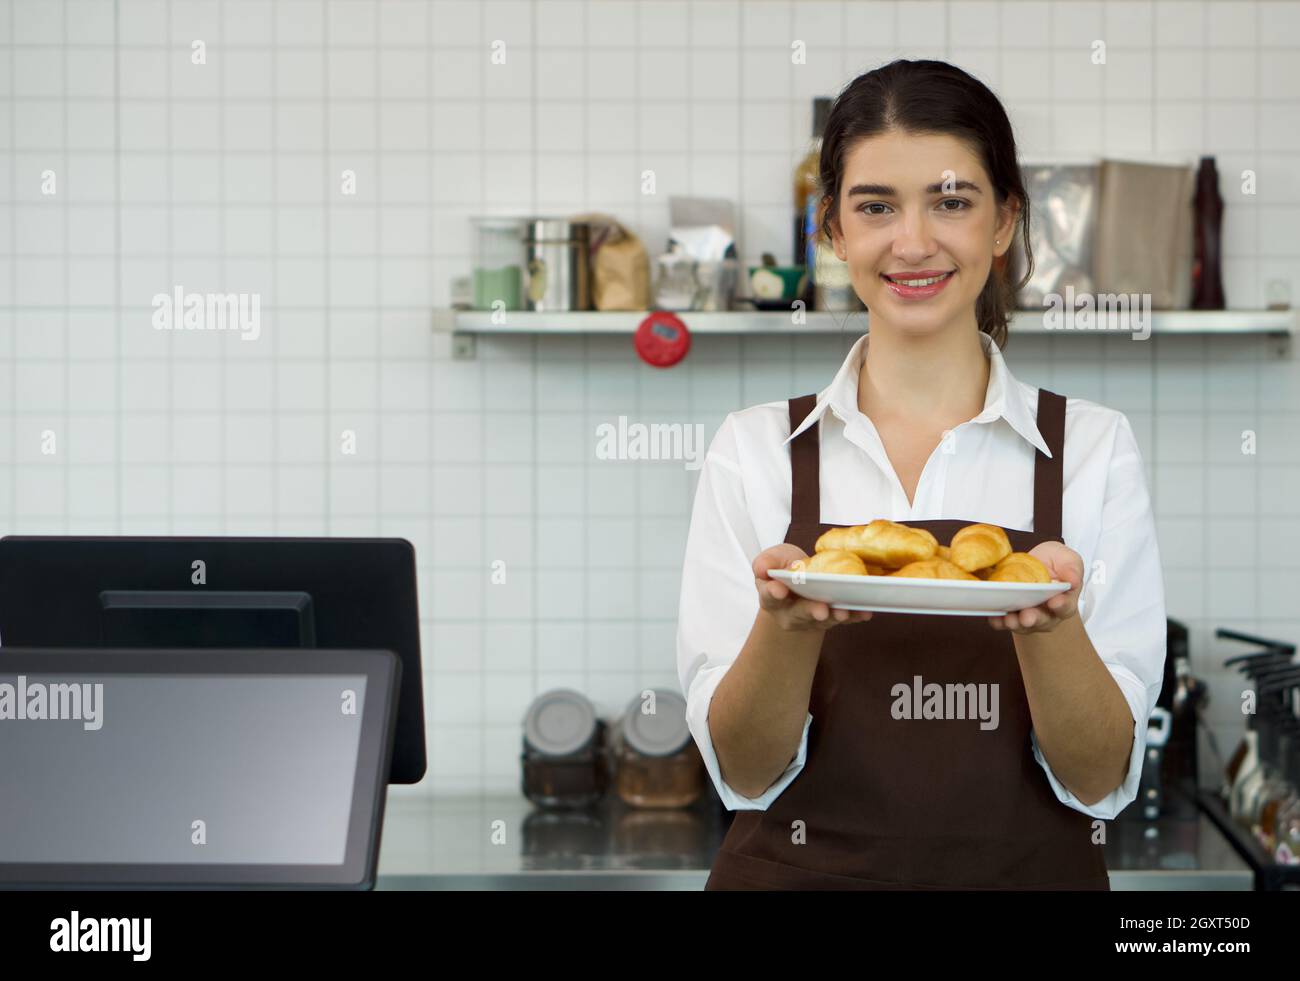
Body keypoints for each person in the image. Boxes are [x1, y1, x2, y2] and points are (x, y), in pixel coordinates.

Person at [676, 60, 1166, 890]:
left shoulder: (1090, 449)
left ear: (1005, 220)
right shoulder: (755, 450)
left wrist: (1051, 627)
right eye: (875, 207)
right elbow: (745, 774)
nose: (912, 241)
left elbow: (1098, 779)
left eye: (951, 201)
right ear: (832, 230)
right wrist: (787, 626)